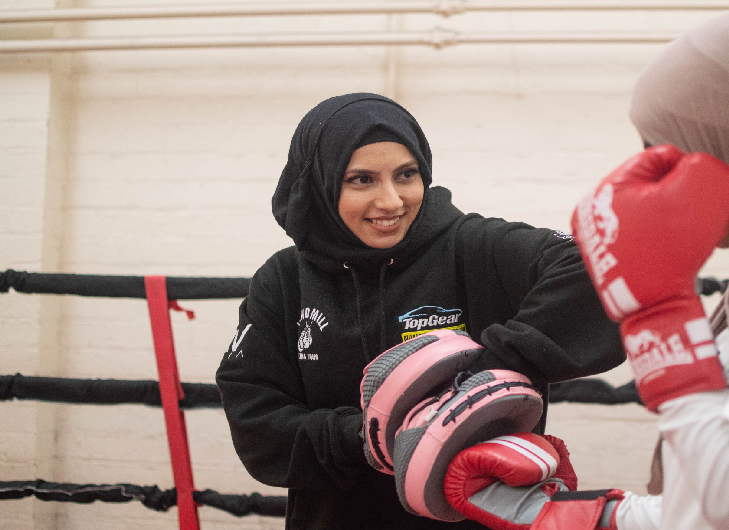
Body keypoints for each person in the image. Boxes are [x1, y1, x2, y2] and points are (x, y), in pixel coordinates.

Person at [442, 9, 729, 530]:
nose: (659, 173)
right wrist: (587, 517)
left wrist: (661, 318)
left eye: (672, 145)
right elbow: (712, 496)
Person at [215, 93, 625, 530]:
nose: (391, 201)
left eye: (406, 175)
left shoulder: (472, 247)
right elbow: (255, 417)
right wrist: (372, 438)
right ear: (320, 183)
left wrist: (480, 379)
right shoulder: (284, 280)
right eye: (361, 180)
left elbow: (599, 264)